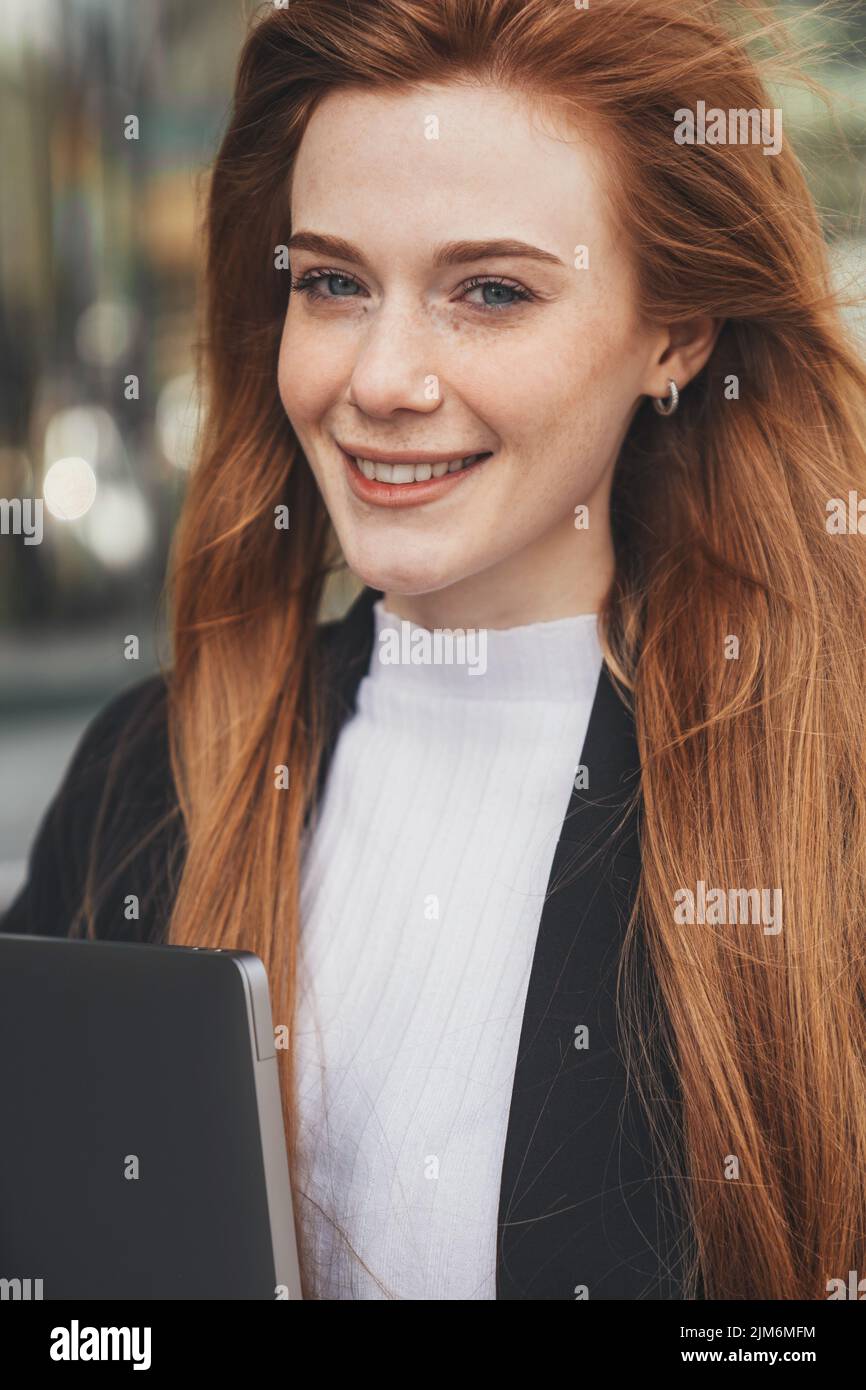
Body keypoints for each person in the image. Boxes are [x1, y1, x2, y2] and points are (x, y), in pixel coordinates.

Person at [5, 0, 866, 1300]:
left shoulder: (824, 795)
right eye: (332, 283)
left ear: (676, 335)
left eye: (491, 292)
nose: (381, 378)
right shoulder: (148, 774)